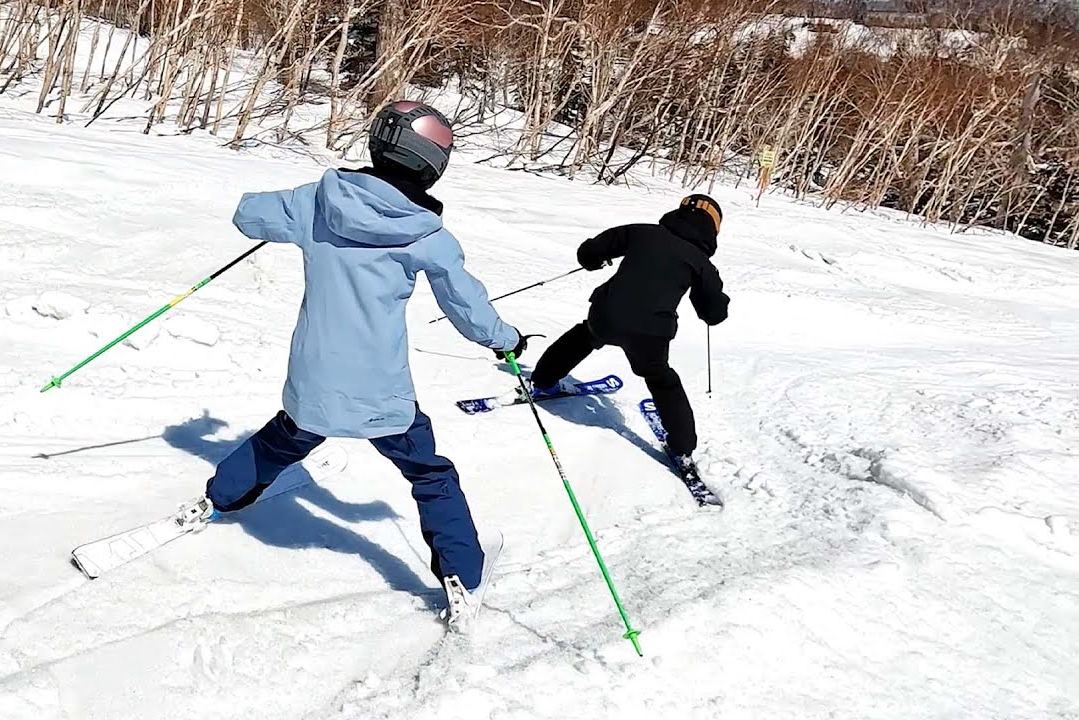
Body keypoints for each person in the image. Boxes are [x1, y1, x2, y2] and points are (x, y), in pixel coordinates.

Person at [175, 100, 527, 630]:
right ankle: (461, 576)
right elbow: (467, 306)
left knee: (282, 441)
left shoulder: (320, 200)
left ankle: (217, 498)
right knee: (429, 472)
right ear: (433, 163)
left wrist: (297, 218)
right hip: (381, 392)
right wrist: (505, 341)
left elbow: (248, 213)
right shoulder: (428, 236)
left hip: (314, 380)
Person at [526, 194, 729, 480]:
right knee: (661, 379)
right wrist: (716, 302)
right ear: (713, 229)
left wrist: (595, 260)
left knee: (584, 336)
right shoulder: (701, 264)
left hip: (606, 315)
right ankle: (682, 448)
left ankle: (543, 381)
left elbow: (591, 251)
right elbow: (714, 314)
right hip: (651, 333)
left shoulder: (642, 232)